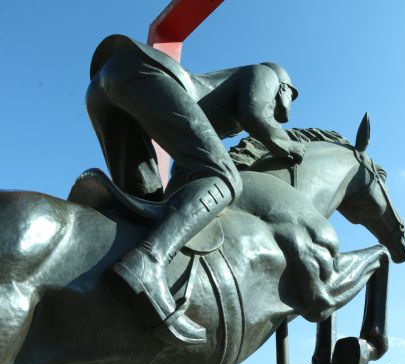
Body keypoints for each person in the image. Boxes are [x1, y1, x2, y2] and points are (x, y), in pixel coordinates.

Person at [86, 34, 304, 345]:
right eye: (291, 95)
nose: (288, 103)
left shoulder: (215, 104)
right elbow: (256, 115)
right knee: (226, 177)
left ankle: (103, 282)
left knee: (144, 205)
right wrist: (290, 145)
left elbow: (184, 166)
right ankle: (149, 262)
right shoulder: (265, 74)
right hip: (141, 72)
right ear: (285, 88)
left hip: (104, 83)